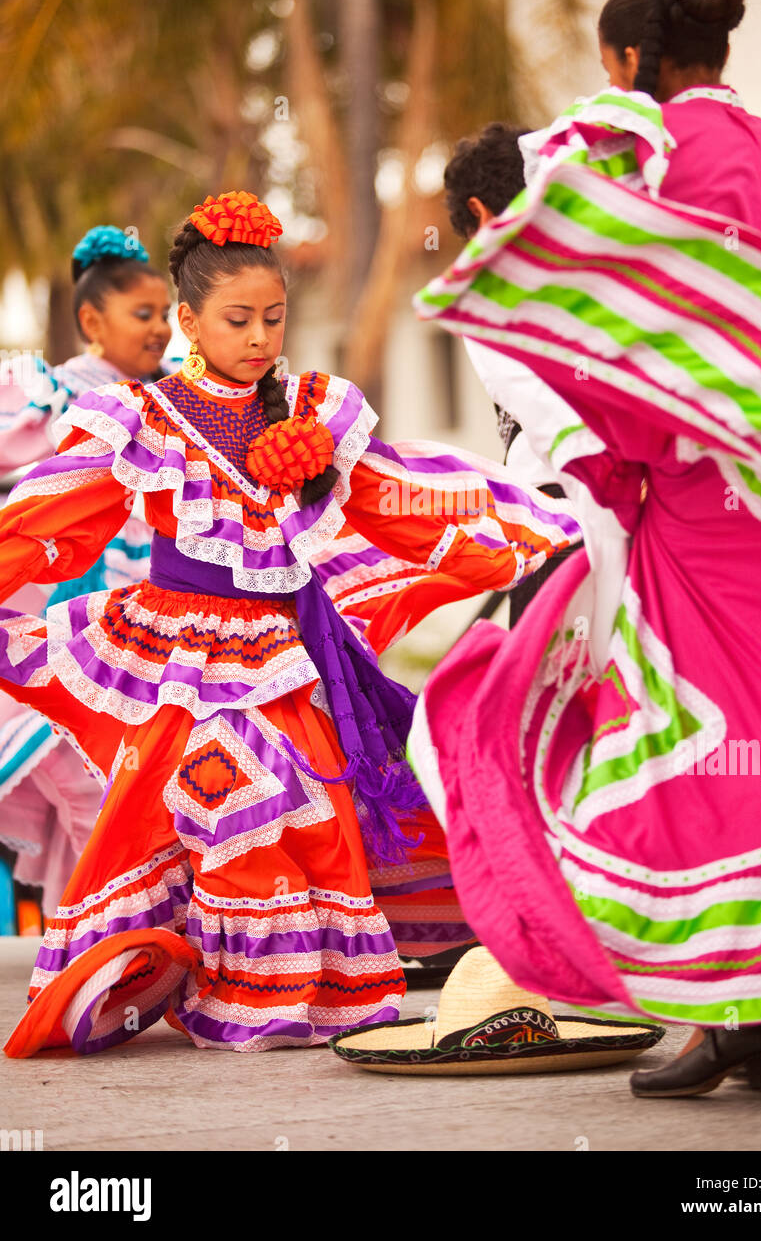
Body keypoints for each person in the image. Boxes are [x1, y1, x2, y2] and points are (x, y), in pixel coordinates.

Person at [409, 0, 761, 1097]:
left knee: (700, 766)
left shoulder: (622, 161)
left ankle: (748, 1021)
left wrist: (615, 470)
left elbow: (586, 348)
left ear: (625, 62)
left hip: (697, 515)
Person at [0, 190, 581, 1055]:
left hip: (284, 653)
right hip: (182, 657)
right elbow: (48, 515)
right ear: (189, 322)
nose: (262, 337)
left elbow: (398, 495)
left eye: (274, 318)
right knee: (236, 799)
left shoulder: (309, 407)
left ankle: (284, 991)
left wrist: (544, 529)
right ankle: (238, 991)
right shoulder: (142, 419)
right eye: (239, 320)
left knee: (311, 813)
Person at [0, 226, 173, 920]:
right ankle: (100, 937)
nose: (160, 328)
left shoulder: (166, 404)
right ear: (91, 322)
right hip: (55, 630)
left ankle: (103, 938)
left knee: (126, 787)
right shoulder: (53, 395)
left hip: (137, 632)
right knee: (91, 786)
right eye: (143, 315)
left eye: (165, 314)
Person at [443, 124, 584, 626]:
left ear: (478, 211)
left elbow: (550, 419)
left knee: (549, 695)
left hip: (555, 517)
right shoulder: (595, 265)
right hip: (637, 509)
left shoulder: (486, 288)